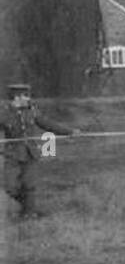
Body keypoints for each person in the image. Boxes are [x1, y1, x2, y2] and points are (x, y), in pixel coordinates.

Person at [2, 83, 77, 219]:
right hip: (12, 155)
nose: (28, 99)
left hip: (31, 153)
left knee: (29, 185)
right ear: (16, 97)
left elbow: (48, 124)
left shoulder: (32, 111)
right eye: (25, 96)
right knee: (10, 186)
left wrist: (69, 132)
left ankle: (30, 214)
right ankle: (28, 208)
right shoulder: (4, 112)